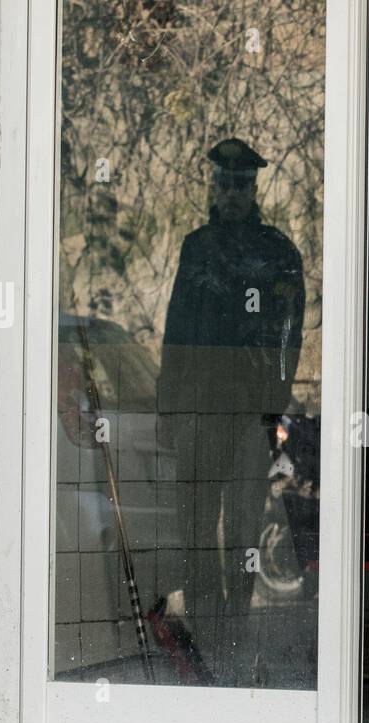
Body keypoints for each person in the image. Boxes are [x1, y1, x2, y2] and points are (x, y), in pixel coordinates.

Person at [158, 137, 305, 686]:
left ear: (254, 187)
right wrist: (168, 407)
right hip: (199, 406)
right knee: (196, 527)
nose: (233, 192)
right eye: (224, 182)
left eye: (242, 183)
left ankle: (235, 635)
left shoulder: (276, 251)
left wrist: (275, 402)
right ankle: (204, 637)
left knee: (243, 526)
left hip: (250, 411)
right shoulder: (197, 247)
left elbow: (289, 334)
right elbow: (177, 328)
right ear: (214, 187)